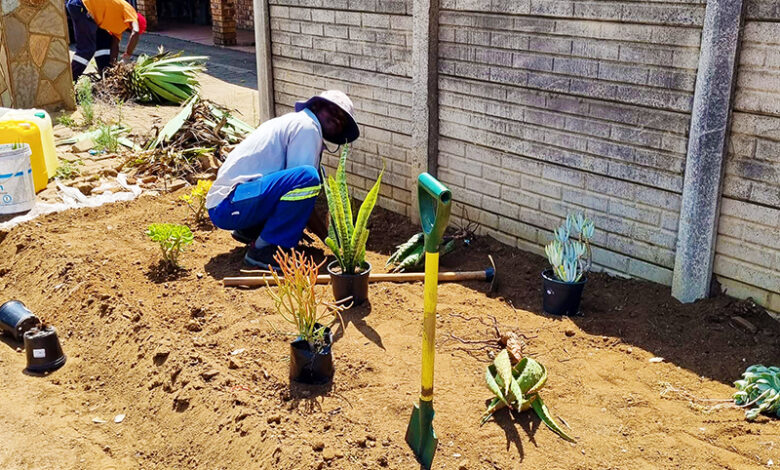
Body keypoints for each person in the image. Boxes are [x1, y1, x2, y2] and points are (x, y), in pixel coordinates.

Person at [206, 90, 360, 269]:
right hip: (228, 205)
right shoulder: (307, 127)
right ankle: (264, 250)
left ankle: (252, 231)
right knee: (308, 177)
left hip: (232, 202)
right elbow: (302, 186)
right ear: (316, 106)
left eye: (342, 120)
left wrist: (295, 223)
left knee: (312, 174)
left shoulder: (295, 122)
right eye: (333, 112)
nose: (337, 120)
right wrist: (328, 239)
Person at [66, 0, 147, 81]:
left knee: (104, 43)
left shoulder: (120, 27)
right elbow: (135, 32)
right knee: (87, 49)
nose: (129, 33)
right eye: (130, 31)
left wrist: (114, 67)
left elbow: (114, 46)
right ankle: (70, 81)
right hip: (81, 5)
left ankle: (106, 78)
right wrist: (127, 55)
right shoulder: (131, 12)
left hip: (91, 15)